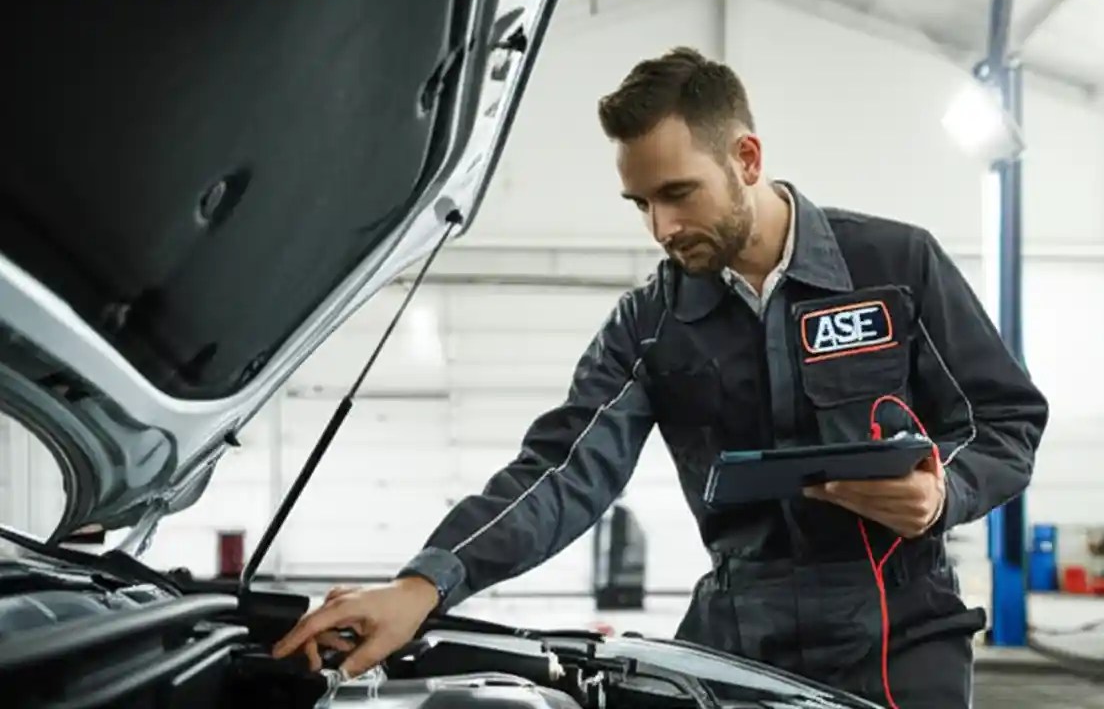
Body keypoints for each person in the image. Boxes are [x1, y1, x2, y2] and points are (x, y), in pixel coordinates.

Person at [272, 46, 1049, 708]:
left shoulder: (895, 269)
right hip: (739, 640)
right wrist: (425, 585)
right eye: (640, 202)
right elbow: (560, 471)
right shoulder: (650, 326)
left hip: (900, 628)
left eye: (679, 194)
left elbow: (1006, 421)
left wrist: (944, 488)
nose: (662, 228)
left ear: (746, 158)